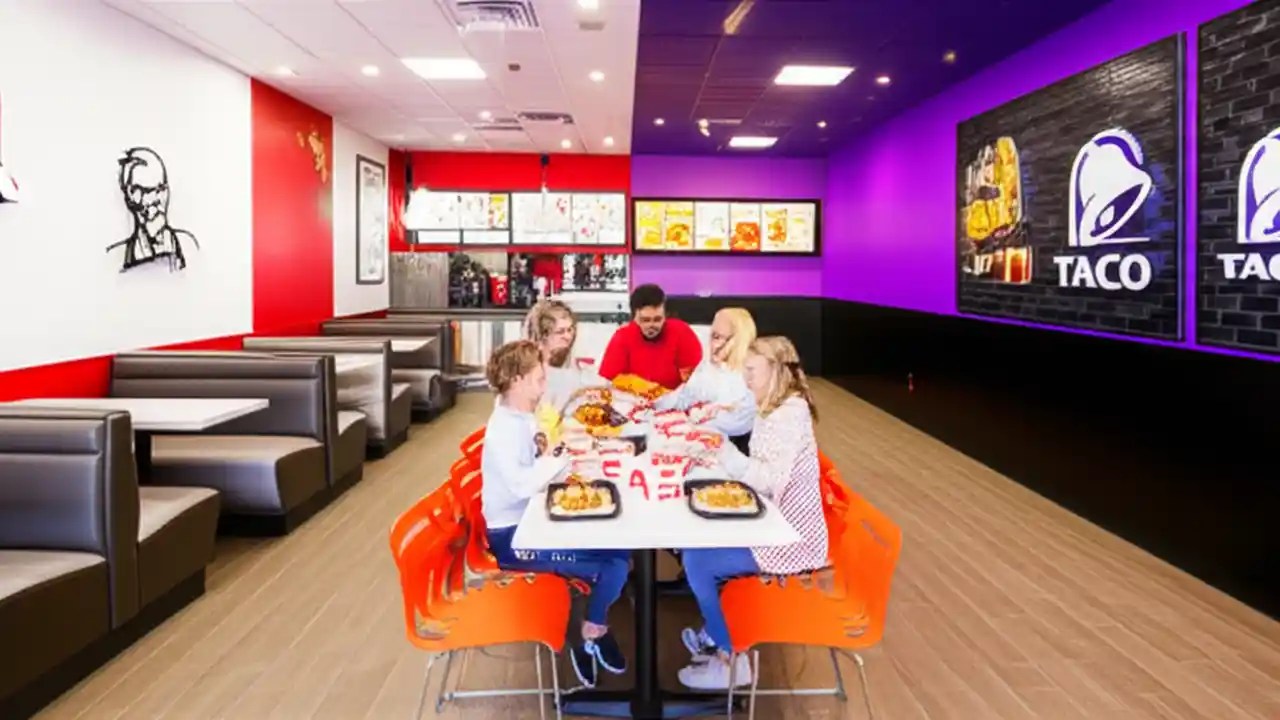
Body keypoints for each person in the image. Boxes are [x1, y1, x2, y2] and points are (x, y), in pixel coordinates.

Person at [675, 337, 828, 690]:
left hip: (789, 538)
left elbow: (768, 481)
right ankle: (717, 634)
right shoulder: (776, 405)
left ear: (775, 371)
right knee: (699, 544)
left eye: (751, 371)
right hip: (768, 521)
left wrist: (724, 452)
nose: (745, 378)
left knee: (698, 562)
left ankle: (729, 656)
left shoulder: (788, 414)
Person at [480, 340, 631, 688]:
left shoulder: (521, 415)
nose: (544, 385)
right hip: (514, 539)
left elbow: (538, 463)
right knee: (614, 565)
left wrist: (561, 457)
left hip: (537, 520)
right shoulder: (502, 428)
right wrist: (560, 459)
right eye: (538, 378)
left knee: (620, 550)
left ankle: (591, 624)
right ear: (517, 380)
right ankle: (588, 632)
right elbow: (520, 485)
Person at [652, 307, 757, 454]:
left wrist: (691, 418)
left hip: (730, 454)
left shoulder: (748, 377)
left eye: (717, 337)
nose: (711, 344)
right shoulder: (711, 366)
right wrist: (654, 406)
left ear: (737, 341)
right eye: (712, 336)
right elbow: (685, 396)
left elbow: (730, 425)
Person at [598, 283, 702, 391]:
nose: (651, 326)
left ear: (665, 316)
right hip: (631, 403)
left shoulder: (682, 333)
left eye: (657, 319)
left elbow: (695, 383)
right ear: (634, 318)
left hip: (674, 402)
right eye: (645, 320)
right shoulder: (622, 338)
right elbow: (607, 384)